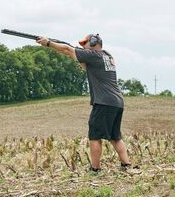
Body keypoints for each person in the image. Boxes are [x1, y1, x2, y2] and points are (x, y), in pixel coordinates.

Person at [36, 33, 133, 171]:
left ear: (93, 43)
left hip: (103, 102)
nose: (83, 47)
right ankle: (126, 164)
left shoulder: (93, 56)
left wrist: (48, 43)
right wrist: (71, 52)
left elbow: (68, 50)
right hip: (117, 102)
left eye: (85, 44)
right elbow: (79, 62)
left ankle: (95, 168)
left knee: (94, 135)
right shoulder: (107, 56)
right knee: (115, 136)